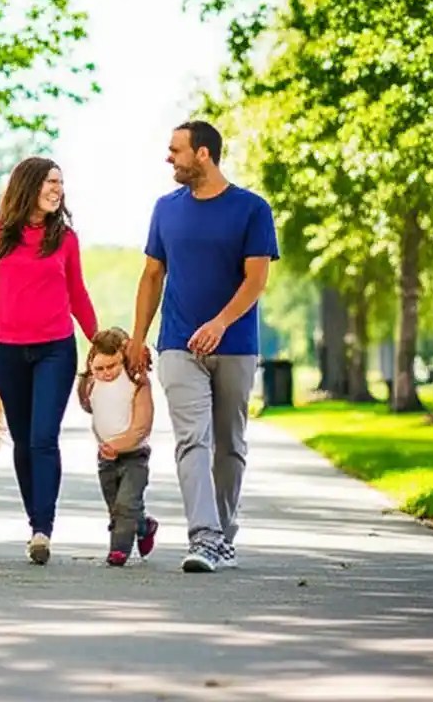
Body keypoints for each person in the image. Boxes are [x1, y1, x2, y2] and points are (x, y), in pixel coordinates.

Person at [126, 120, 280, 573]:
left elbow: (256, 279)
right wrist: (137, 338)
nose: (169, 157)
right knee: (192, 439)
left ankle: (224, 534)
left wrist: (220, 322)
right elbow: (152, 276)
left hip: (235, 345)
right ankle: (205, 537)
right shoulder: (165, 209)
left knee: (229, 444)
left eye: (176, 150)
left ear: (204, 154)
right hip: (177, 343)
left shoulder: (252, 209)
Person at [0, 156, 98, 565]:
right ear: (28, 185)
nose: (57, 190)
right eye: (51, 182)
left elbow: (78, 295)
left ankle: (42, 529)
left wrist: (98, 342)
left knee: (43, 438)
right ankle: (36, 519)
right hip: (8, 352)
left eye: (60, 184)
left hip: (55, 349)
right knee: (22, 440)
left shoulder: (65, 239)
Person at [76, 327, 158, 567]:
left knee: (126, 505)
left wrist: (120, 443)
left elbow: (142, 426)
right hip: (106, 457)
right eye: (100, 369)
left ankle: (119, 550)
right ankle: (143, 526)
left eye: (112, 366)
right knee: (117, 507)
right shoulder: (91, 384)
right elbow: (90, 406)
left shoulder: (136, 382)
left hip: (135, 456)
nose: (106, 373)